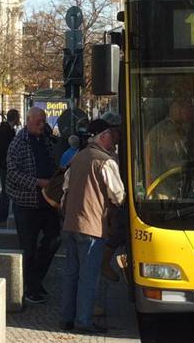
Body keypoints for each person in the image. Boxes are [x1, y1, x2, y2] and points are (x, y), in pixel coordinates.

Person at [59, 118, 125, 334]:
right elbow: (118, 195)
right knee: (89, 277)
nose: (114, 140)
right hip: (93, 226)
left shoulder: (78, 158)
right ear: (103, 136)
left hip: (70, 223)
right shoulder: (105, 161)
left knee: (71, 274)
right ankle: (83, 321)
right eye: (111, 135)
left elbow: (66, 188)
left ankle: (66, 318)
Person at [6, 107, 60, 304]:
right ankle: (31, 287)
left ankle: (36, 280)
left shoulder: (44, 139)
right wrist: (37, 182)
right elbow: (12, 173)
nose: (42, 125)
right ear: (28, 121)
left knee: (54, 238)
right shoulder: (19, 142)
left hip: (46, 200)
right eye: (39, 121)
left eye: (44, 121)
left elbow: (51, 161)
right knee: (28, 248)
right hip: (26, 203)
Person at [144, 98, 194, 199]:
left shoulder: (178, 128)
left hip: (173, 187)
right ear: (174, 109)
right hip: (166, 191)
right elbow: (171, 163)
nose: (190, 111)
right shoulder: (165, 131)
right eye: (186, 107)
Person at [0, 109, 19, 225]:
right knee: (7, 191)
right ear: (15, 118)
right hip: (5, 165)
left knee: (6, 190)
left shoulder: (5, 130)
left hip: (2, 164)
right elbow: (7, 150)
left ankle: (2, 216)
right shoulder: (8, 132)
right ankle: (1, 216)